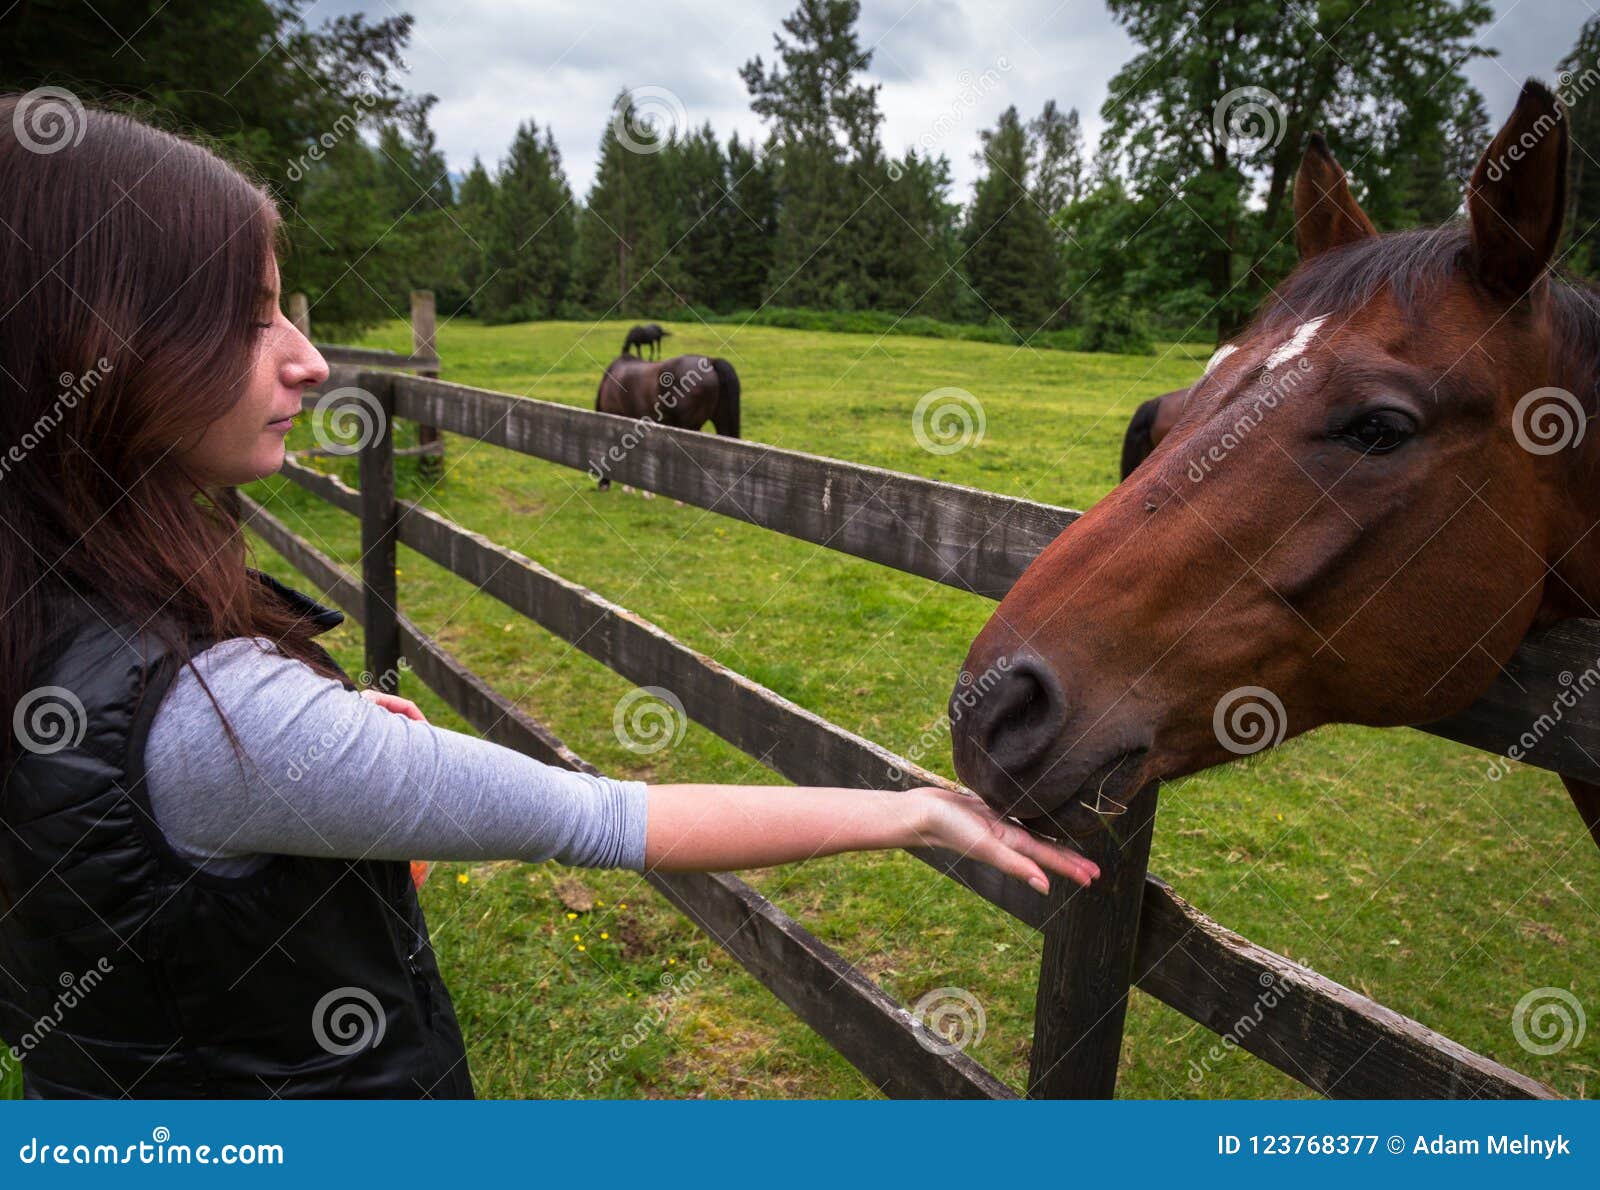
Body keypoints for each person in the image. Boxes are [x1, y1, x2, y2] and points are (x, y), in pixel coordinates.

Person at [0, 95, 1097, 1099]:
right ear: (102, 351)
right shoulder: (221, 721)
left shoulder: (45, 621)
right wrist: (904, 809)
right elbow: (604, 815)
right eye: (251, 319)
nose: (311, 360)